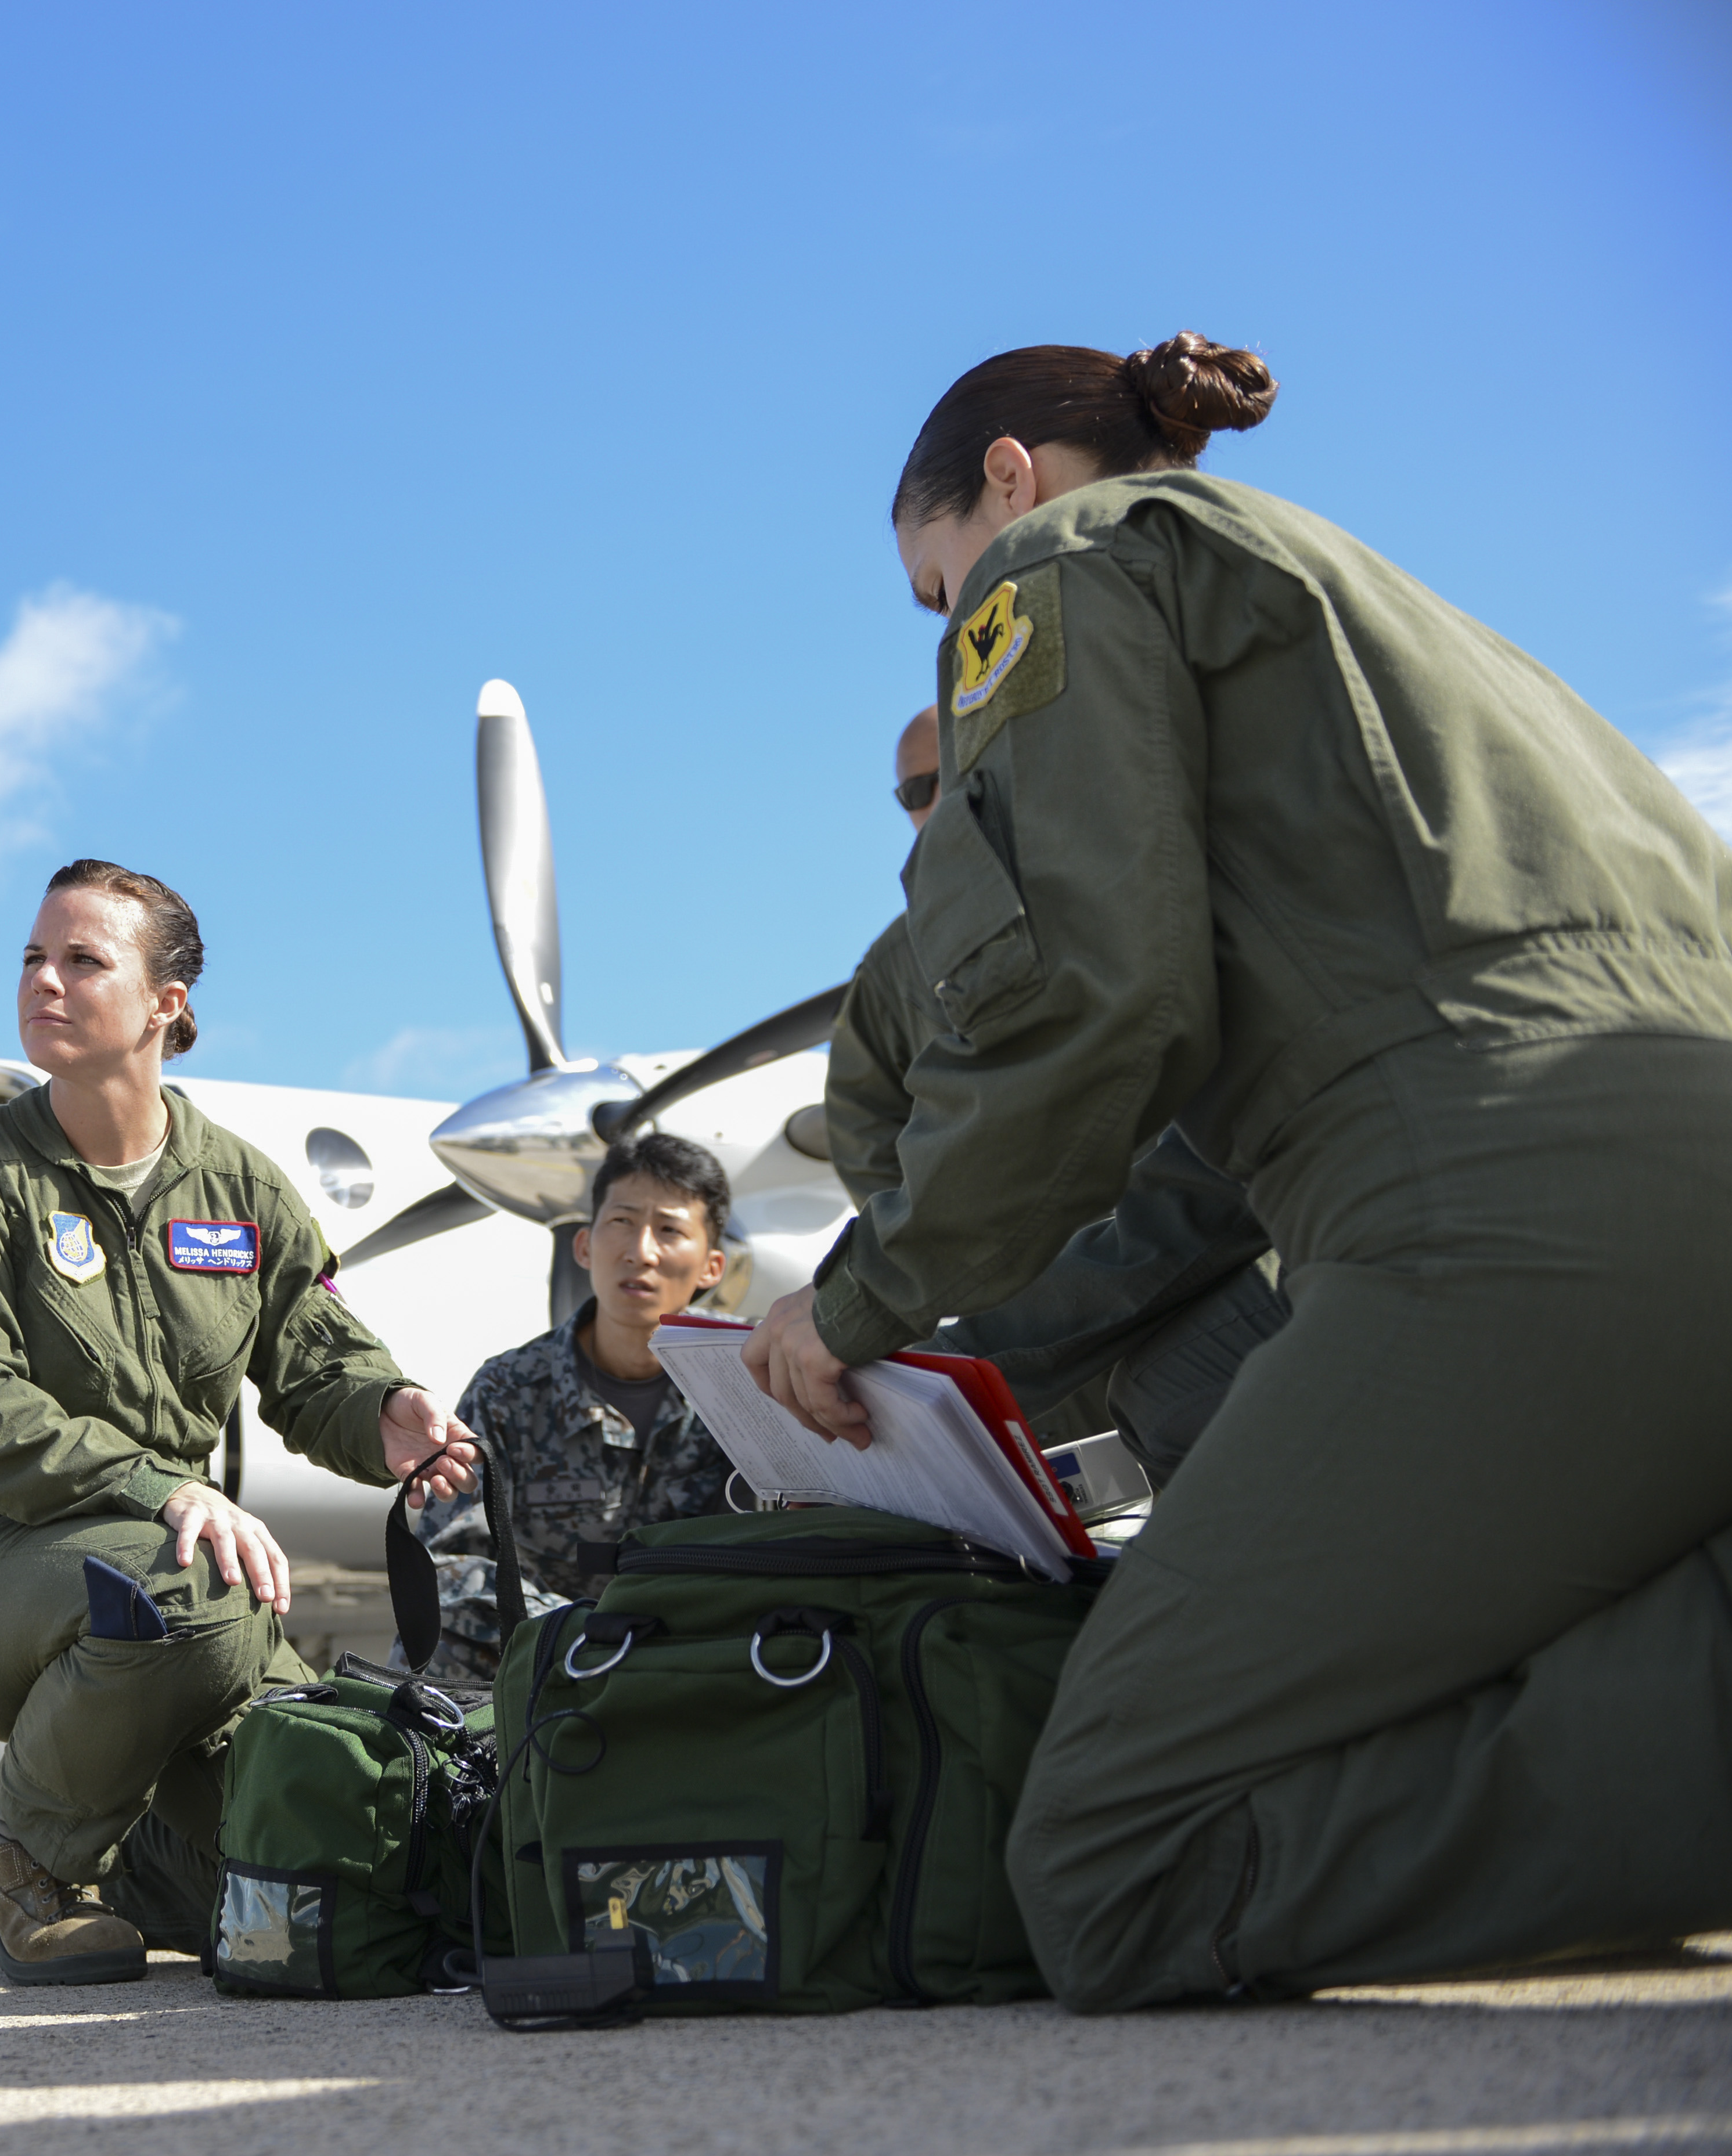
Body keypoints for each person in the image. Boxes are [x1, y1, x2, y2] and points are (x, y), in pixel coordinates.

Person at [741, 334, 1732, 2009]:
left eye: (933, 593)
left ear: (1003, 477)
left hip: (1493, 1208)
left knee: (1115, 1864)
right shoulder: (1394, 605)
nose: (949, 635)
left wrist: (857, 1308)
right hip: (1652, 1154)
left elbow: (1085, 1000)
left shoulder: (1059, 566)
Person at [0, 860, 478, 1981]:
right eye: (32, 958)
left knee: (343, 1824)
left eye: (81, 960)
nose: (42, 983)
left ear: (167, 1002)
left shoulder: (239, 1188)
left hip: (191, 1577)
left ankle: (148, 1873)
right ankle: (14, 1853)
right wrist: (166, 1490)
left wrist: (386, 1410)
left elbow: (315, 1360)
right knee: (196, 1589)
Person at [829, 705, 1286, 1480]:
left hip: (1208, 1265)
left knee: (1179, 1394)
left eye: (962, 773)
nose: (940, 800)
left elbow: (1206, 1173)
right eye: (916, 789)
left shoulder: (1146, 885)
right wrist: (944, 1259)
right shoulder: (888, 974)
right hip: (1029, 1304)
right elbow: (871, 1138)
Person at [402, 1131, 739, 1686]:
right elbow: (452, 1560)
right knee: (442, 1642)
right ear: (584, 1246)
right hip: (541, 1661)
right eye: (622, 1222)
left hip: (701, 1661)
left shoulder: (750, 1381)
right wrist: (592, 1637)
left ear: (712, 1267)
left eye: (671, 1230)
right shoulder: (509, 1389)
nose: (642, 1252)